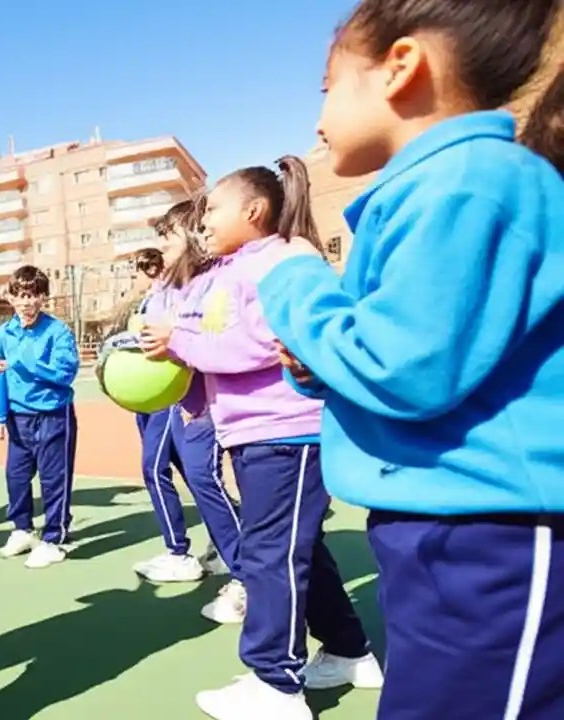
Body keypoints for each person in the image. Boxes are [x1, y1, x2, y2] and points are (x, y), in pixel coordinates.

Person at [256, 2, 564, 717]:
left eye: (327, 86)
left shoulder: (472, 181)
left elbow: (406, 368)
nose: (318, 118)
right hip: (446, 523)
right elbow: (406, 350)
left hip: (497, 537)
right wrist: (322, 361)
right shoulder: (440, 186)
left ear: (401, 67)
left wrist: (297, 282)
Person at [140, 156, 381, 720]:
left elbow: (258, 345)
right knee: (298, 549)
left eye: (214, 210)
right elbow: (209, 342)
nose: (204, 222)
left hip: (288, 433)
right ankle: (350, 652)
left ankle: (276, 684)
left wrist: (179, 341)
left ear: (254, 209)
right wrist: (182, 375)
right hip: (254, 433)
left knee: (270, 555)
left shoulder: (276, 263)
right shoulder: (228, 270)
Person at [123, 201, 247, 626]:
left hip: (213, 403)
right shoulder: (172, 287)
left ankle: (246, 571)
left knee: (202, 476)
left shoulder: (216, 281)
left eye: (168, 236)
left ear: (193, 236)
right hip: (183, 402)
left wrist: (174, 340)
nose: (161, 245)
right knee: (195, 476)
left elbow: (212, 339)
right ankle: (230, 553)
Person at [0, 265, 81, 569]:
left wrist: (22, 364)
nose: (27, 302)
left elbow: (65, 374)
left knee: (55, 479)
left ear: (43, 298)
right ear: (10, 297)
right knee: (16, 476)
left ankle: (54, 538)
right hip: (18, 419)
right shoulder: (4, 333)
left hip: (54, 415)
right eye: (21, 295)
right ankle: (22, 529)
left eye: (33, 295)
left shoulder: (57, 331)